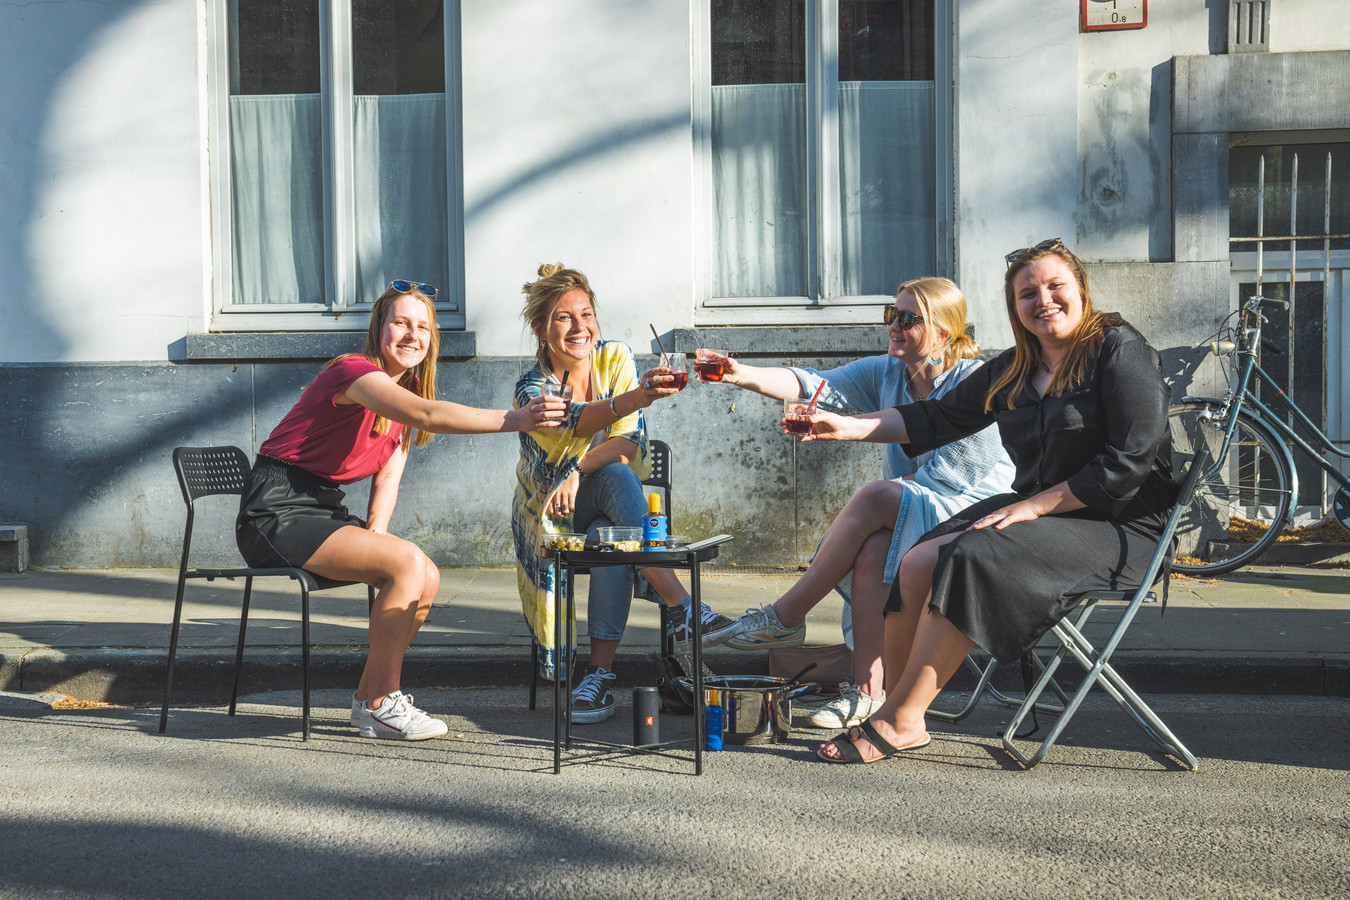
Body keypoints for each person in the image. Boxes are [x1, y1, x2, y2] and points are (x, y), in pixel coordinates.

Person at [801, 239, 1177, 763]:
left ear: (1081, 291)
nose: (1042, 300)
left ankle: (902, 720)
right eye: (1028, 294)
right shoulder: (1017, 366)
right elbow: (936, 417)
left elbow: (1128, 463)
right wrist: (843, 426)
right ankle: (886, 700)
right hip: (1045, 516)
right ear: (1013, 306)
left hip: (1121, 528)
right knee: (917, 561)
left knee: (973, 554)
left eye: (1054, 286)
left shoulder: (1119, 351)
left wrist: (1036, 505)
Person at [236, 281, 564, 742]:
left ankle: (369, 700)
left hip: (320, 509)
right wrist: (514, 418)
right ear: (380, 329)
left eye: (423, 328)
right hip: (274, 513)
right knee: (407, 563)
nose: (412, 335)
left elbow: (387, 478)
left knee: (423, 573)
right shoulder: (353, 373)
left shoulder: (400, 397)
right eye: (401, 324)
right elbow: (428, 415)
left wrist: (378, 537)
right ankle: (382, 703)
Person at [697, 277, 1014, 730]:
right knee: (872, 549)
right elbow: (811, 385)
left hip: (979, 512)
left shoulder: (972, 380)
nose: (894, 326)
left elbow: (959, 477)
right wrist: (739, 373)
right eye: (891, 315)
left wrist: (892, 485)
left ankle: (787, 615)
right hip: (919, 508)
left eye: (908, 318)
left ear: (943, 333)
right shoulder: (889, 372)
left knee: (878, 493)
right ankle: (867, 694)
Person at [510, 263, 735, 724]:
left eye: (586, 314)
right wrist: (633, 402)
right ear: (540, 328)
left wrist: (578, 465)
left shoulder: (614, 358)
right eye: (563, 317)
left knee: (613, 527)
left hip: (603, 504)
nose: (580, 327)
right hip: (554, 511)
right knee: (615, 480)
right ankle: (682, 606)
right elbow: (577, 423)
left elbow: (629, 443)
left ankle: (598, 678)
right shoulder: (532, 389)